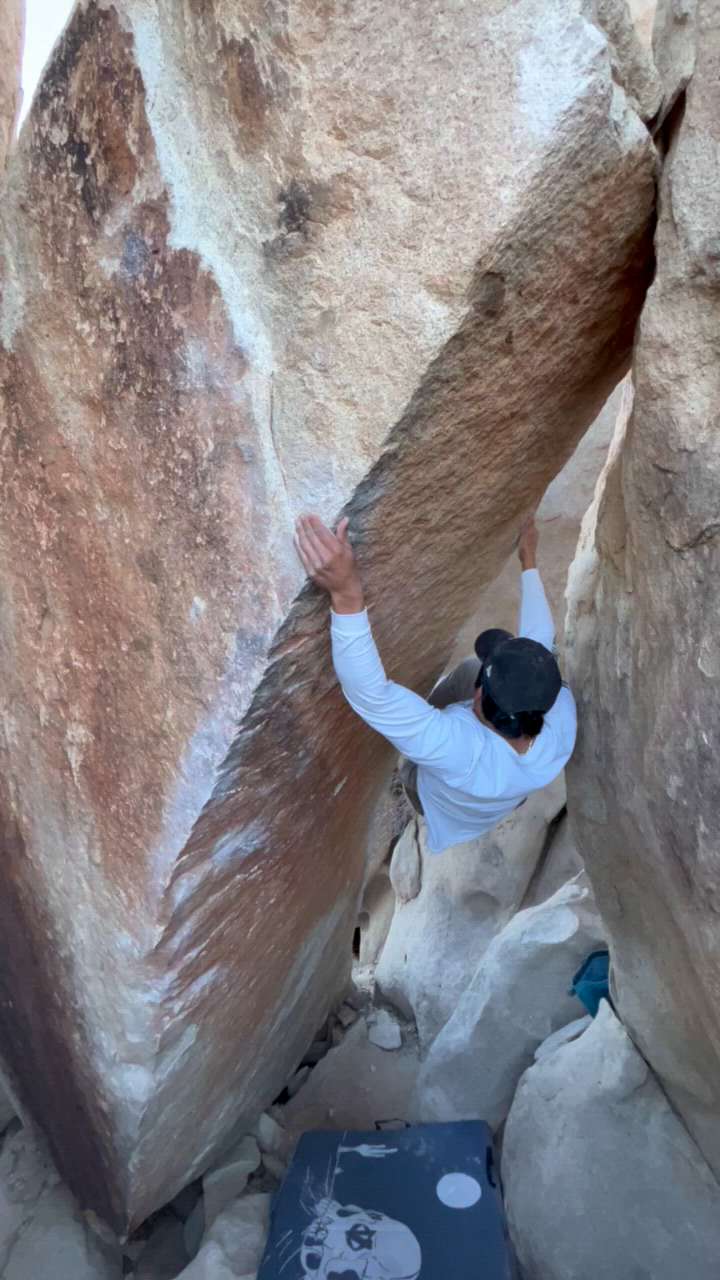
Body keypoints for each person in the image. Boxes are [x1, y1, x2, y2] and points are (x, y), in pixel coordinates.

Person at [294, 512, 576, 854]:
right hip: (503, 790)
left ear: (477, 699)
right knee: (472, 669)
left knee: (429, 726)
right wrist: (528, 558)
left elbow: (371, 695)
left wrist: (346, 593)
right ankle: (422, 723)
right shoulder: (561, 714)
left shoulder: (457, 749)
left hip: (434, 800)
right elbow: (540, 635)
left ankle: (409, 757)